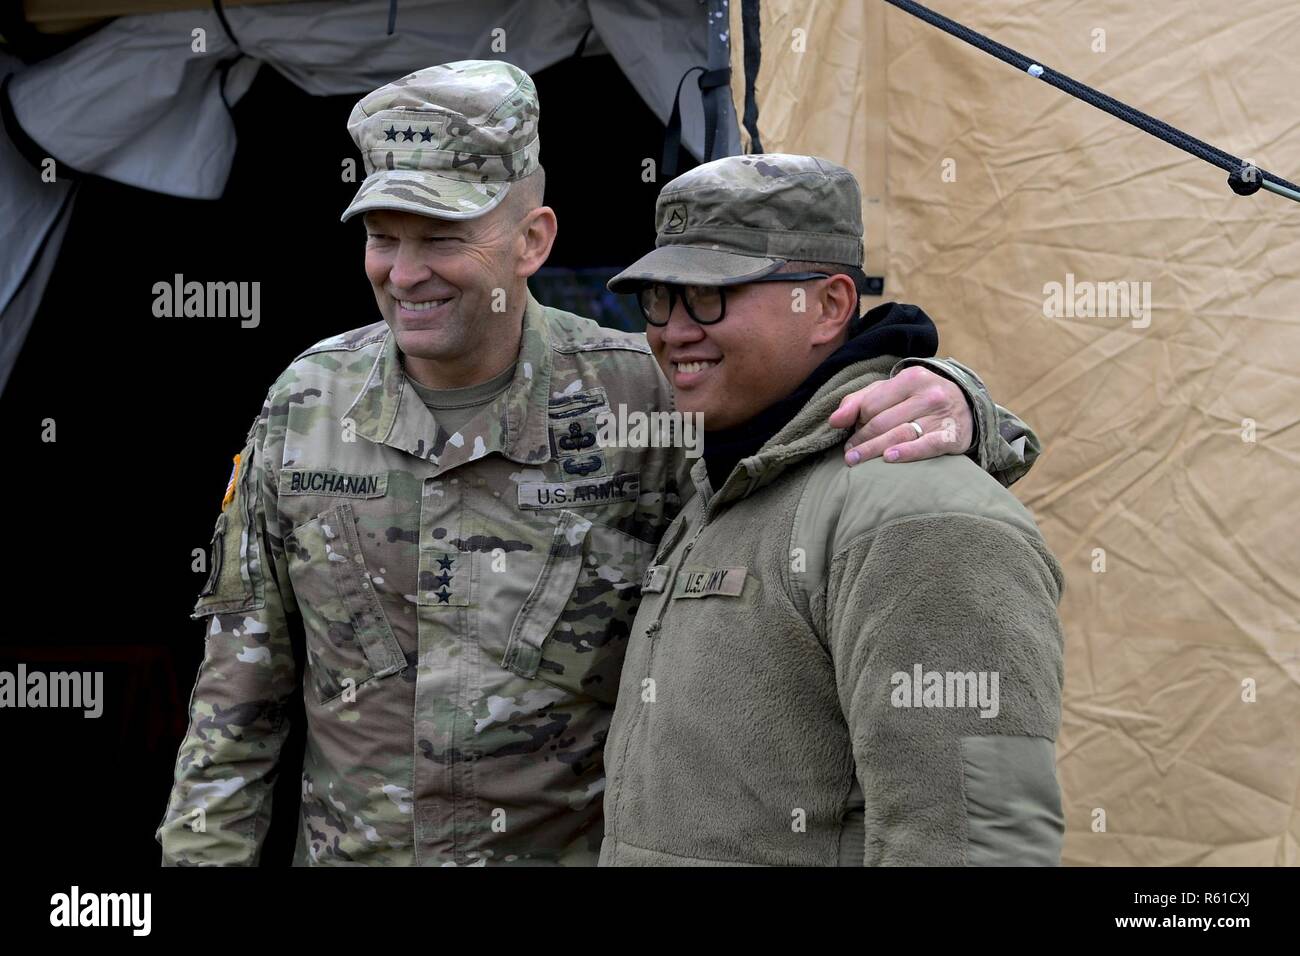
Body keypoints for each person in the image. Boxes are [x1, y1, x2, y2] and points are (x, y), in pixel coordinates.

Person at [155, 60, 1035, 866]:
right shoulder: (306, 403)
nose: (405, 272)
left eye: (441, 236)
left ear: (532, 241)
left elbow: (806, 460)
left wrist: (961, 398)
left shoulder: (645, 399)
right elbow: (238, 699)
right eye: (383, 237)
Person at [599, 153, 1066, 866]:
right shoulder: (731, 476)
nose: (674, 330)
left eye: (710, 296)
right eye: (660, 298)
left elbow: (983, 841)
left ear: (829, 306)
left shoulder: (917, 514)